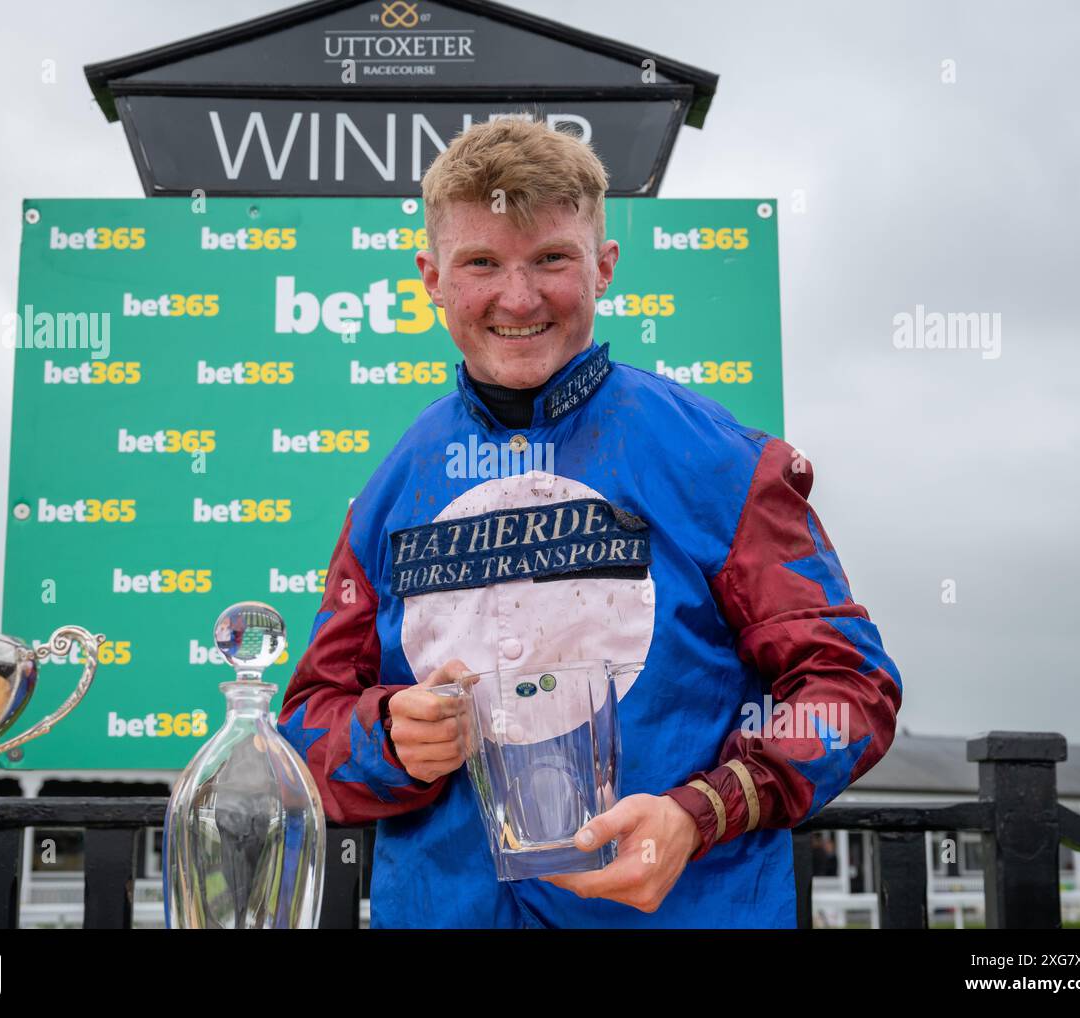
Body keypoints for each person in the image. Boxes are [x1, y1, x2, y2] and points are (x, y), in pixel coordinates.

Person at [278, 117, 902, 928]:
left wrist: (698, 813)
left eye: (551, 259)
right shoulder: (398, 486)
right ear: (431, 277)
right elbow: (304, 728)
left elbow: (849, 689)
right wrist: (386, 740)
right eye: (480, 264)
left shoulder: (718, 463)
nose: (518, 296)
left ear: (603, 266)